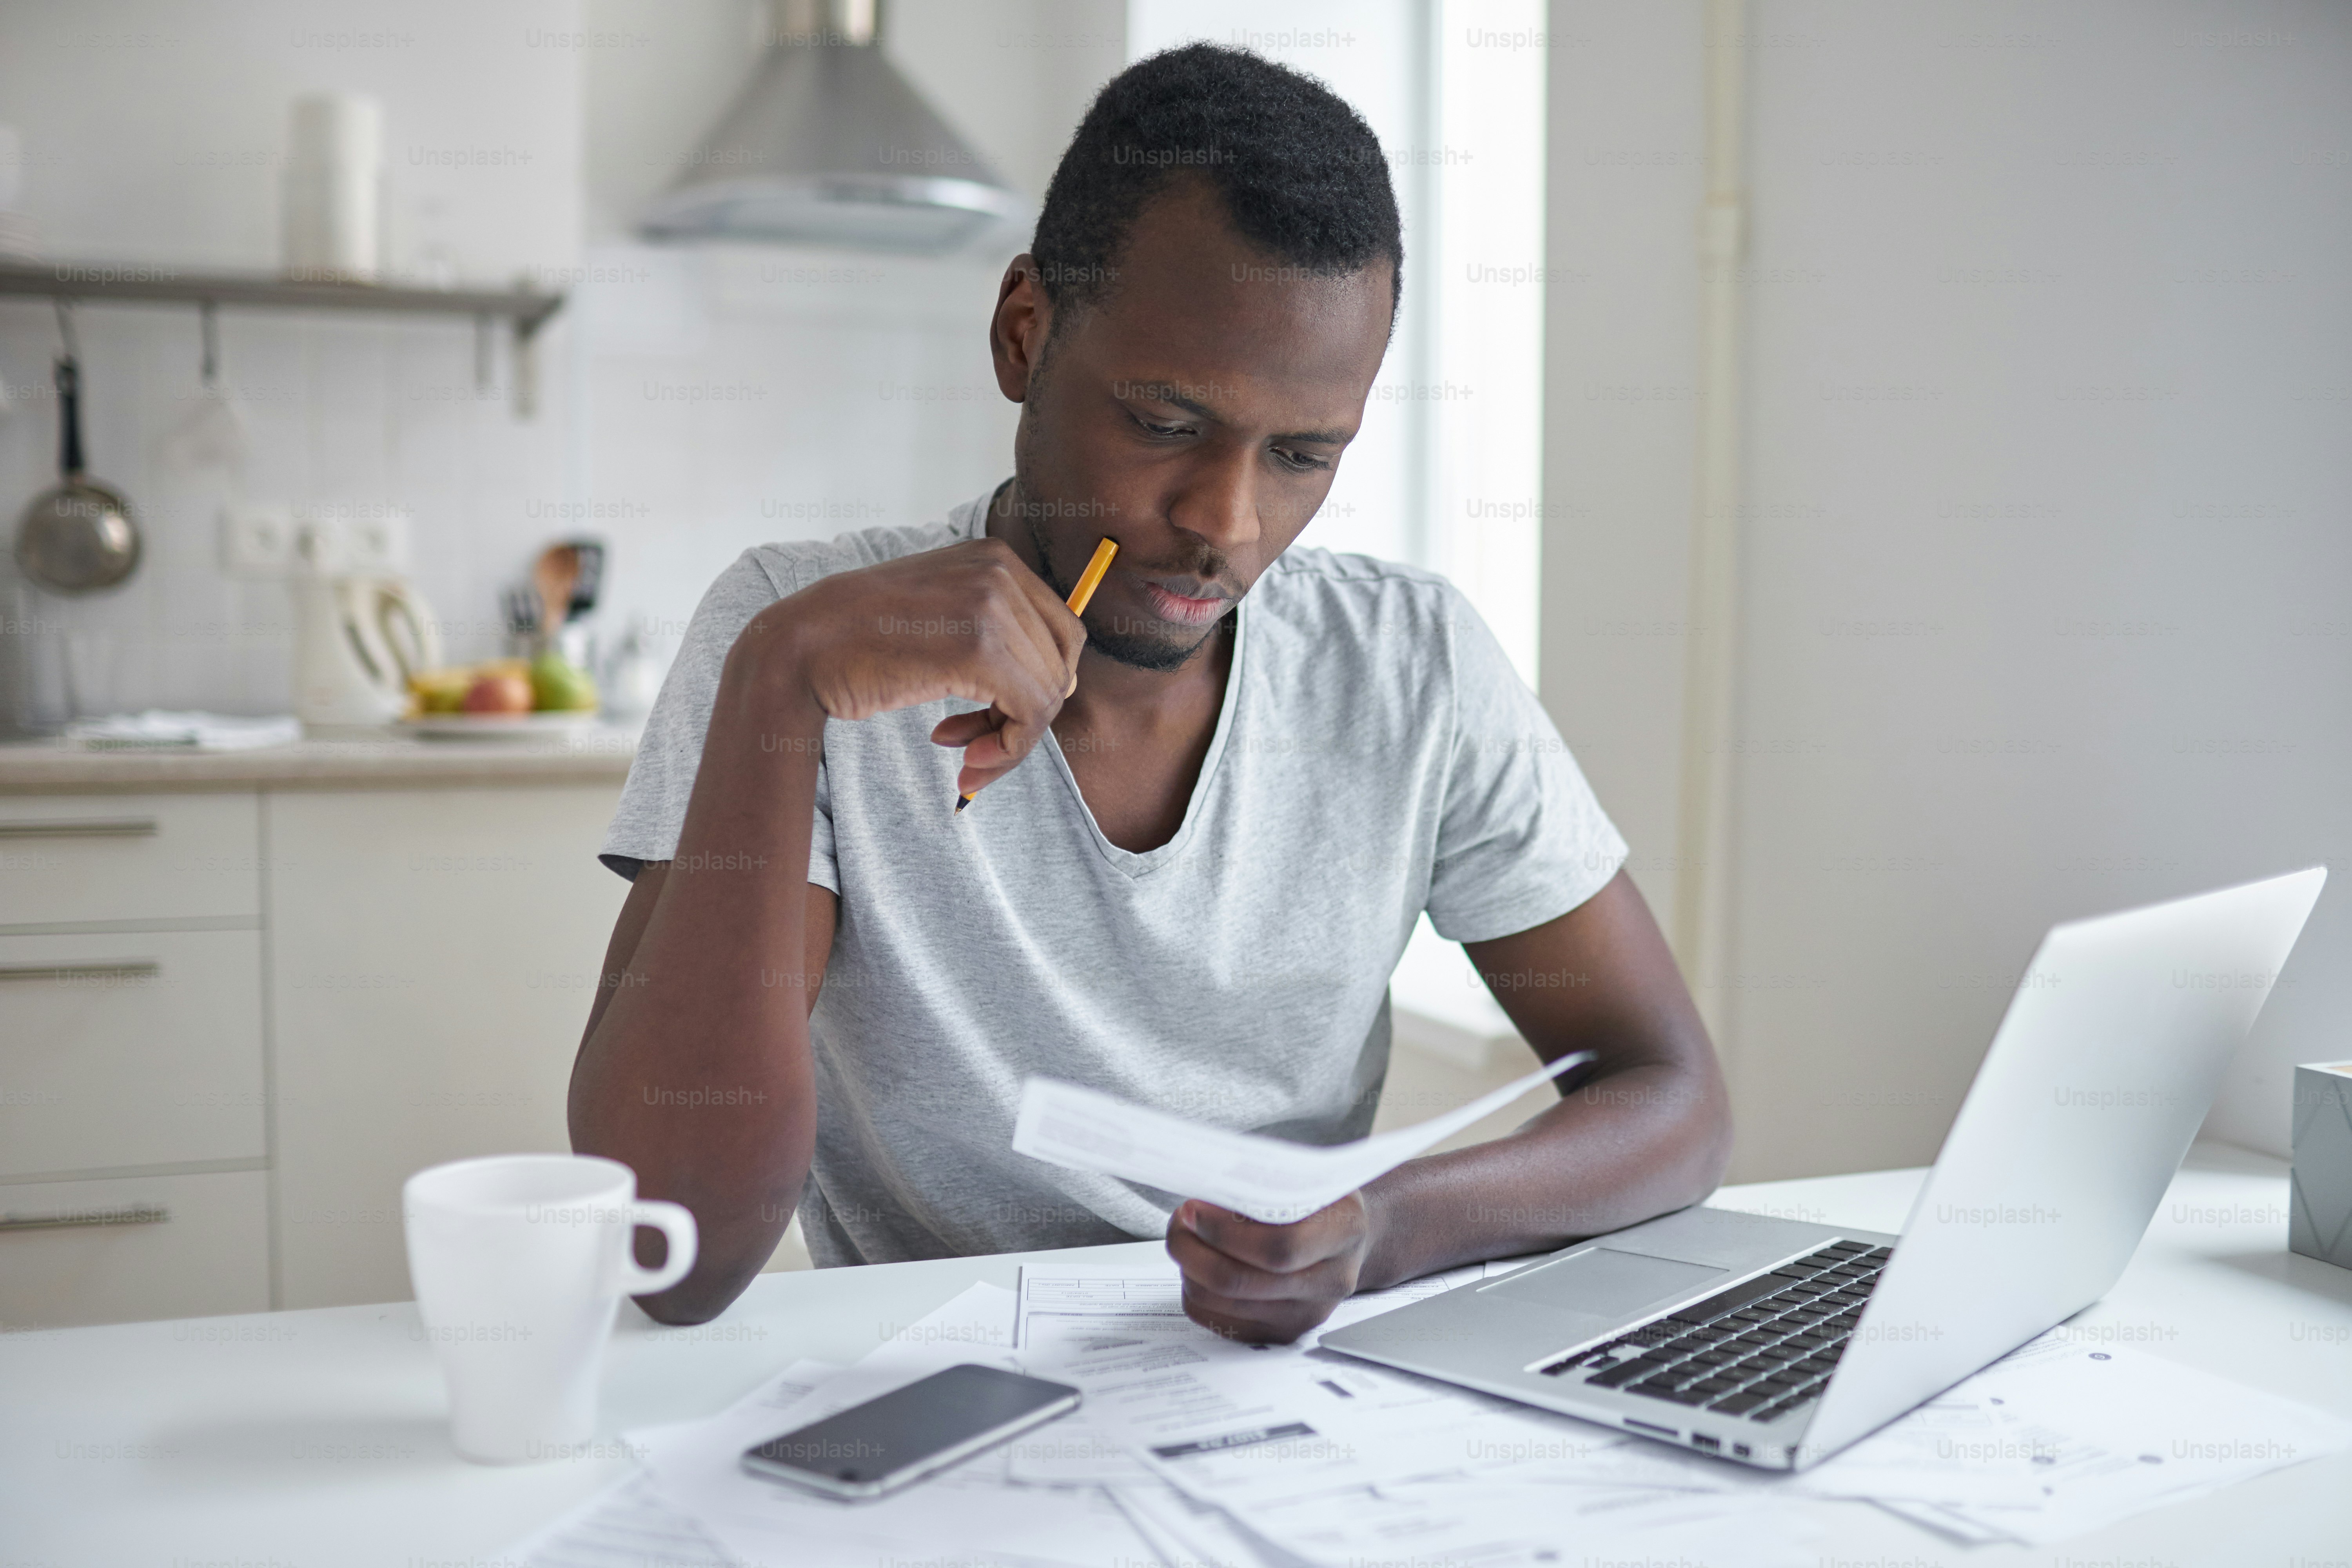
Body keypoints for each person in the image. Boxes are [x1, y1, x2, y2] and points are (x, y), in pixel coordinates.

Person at [570, 43, 1730, 1341]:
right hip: (934, 1411)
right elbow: (672, 1253)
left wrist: (1388, 1223)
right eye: (1167, 424)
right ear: (1026, 333)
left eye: (1301, 456)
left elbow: (1670, 1096)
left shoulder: (1412, 663)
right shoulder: (802, 632)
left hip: (1289, 1397)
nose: (1224, 525)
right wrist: (778, 688)